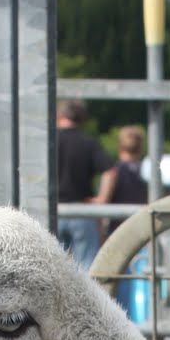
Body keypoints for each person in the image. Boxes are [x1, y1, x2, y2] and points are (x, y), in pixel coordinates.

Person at [55, 98, 113, 267]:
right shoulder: (88, 142)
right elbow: (110, 171)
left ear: (60, 115)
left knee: (52, 267)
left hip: (51, 211)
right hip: (82, 211)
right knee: (86, 267)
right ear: (83, 119)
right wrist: (102, 199)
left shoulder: (47, 143)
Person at [95, 124, 149, 241]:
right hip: (144, 233)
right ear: (141, 146)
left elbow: (103, 203)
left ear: (119, 145)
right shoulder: (149, 173)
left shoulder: (112, 172)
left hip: (117, 235)